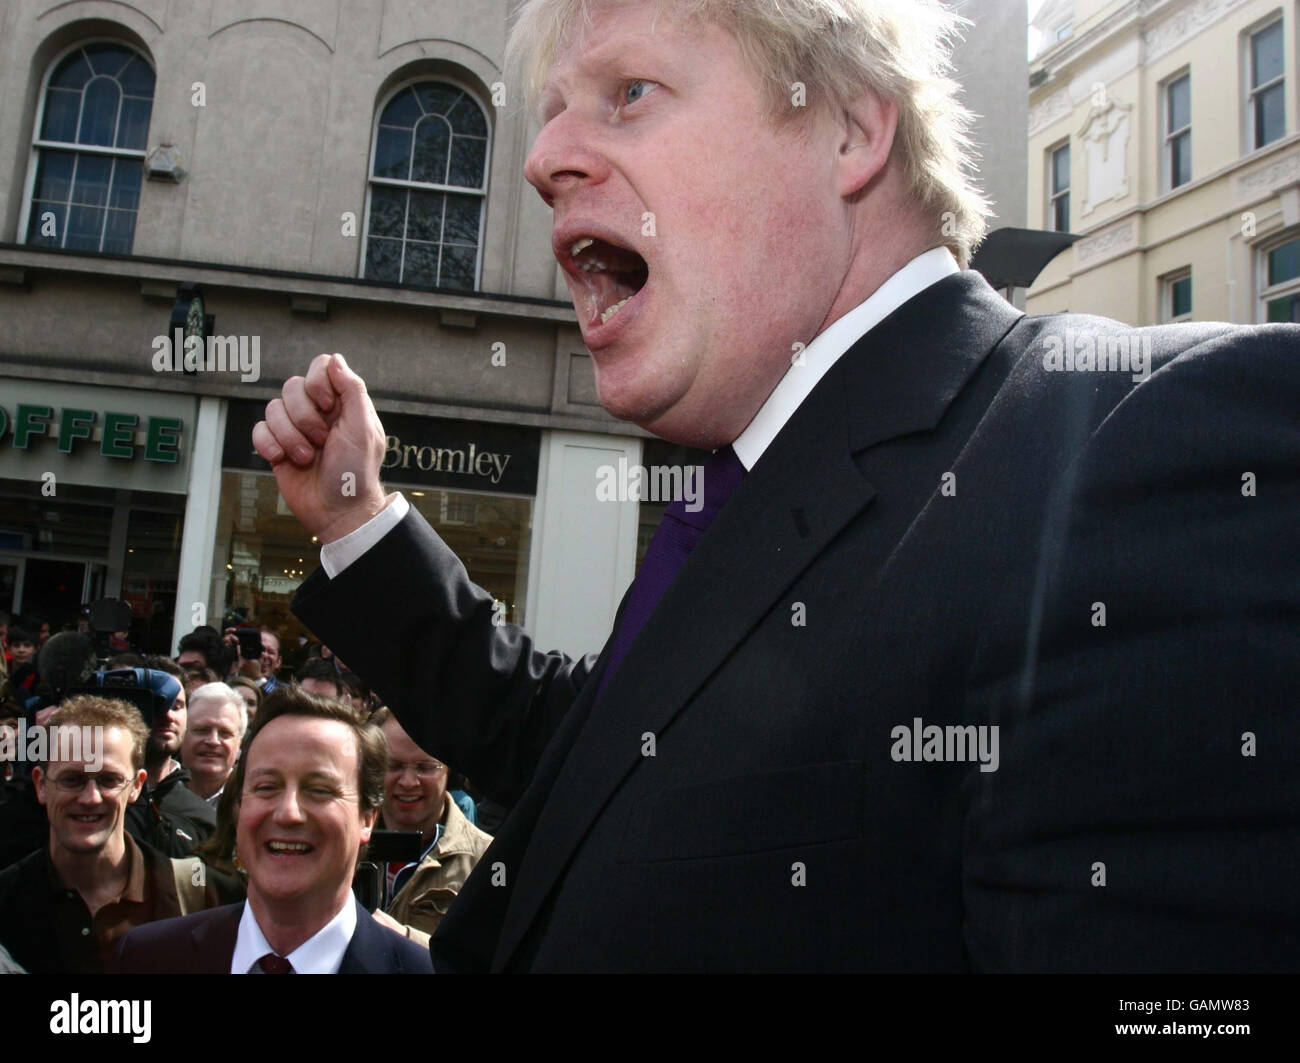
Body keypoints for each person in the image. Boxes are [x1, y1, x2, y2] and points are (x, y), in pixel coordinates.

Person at [256, 0, 1300, 972]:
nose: (542, 160)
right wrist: (358, 523)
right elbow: (599, 767)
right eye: (552, 115)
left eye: (629, 94)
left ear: (848, 130)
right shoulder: (739, 493)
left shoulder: (1129, 446)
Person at [114, 686, 432, 973]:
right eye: (266, 787)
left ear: (367, 818)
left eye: (319, 790)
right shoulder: (150, 959)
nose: (288, 813)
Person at [0, 696, 223, 973]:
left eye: (109, 780)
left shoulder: (200, 896)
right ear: (41, 785)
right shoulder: (6, 900)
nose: (91, 798)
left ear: (136, 786)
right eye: (72, 779)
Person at [372, 709, 492, 936]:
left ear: (450, 771)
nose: (408, 782)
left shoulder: (488, 861)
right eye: (394, 766)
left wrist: (406, 942)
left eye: (425, 767)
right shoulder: (338, 847)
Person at [180, 683, 247, 803]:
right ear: (182, 735)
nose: (213, 741)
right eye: (202, 730)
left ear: (239, 743)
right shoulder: (157, 794)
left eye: (224, 733)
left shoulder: (250, 799)